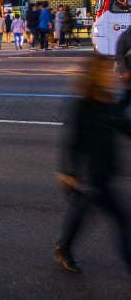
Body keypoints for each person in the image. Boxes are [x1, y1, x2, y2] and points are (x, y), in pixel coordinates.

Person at [54, 55, 131, 274]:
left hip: (104, 171)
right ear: (96, 75)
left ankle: (64, 246)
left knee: (81, 213)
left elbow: (124, 125)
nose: (112, 75)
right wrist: (67, 171)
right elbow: (73, 139)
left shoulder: (108, 101)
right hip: (91, 174)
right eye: (107, 72)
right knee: (122, 221)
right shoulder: (84, 105)